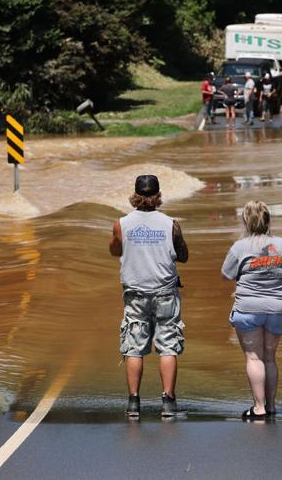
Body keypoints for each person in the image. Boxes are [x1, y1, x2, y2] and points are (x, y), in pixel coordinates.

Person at [110, 174, 189, 418]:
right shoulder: (171, 224)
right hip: (165, 292)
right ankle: (168, 402)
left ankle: (133, 403)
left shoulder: (121, 224)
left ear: (135, 196)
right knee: (168, 346)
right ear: (158, 196)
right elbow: (183, 255)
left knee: (134, 346)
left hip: (135, 293)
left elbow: (115, 250)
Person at [221, 201, 282, 421]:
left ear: (245, 221)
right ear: (268, 220)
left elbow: (226, 274)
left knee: (254, 358)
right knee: (270, 358)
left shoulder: (239, 247)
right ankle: (272, 406)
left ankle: (258, 408)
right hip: (276, 308)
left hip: (248, 308)